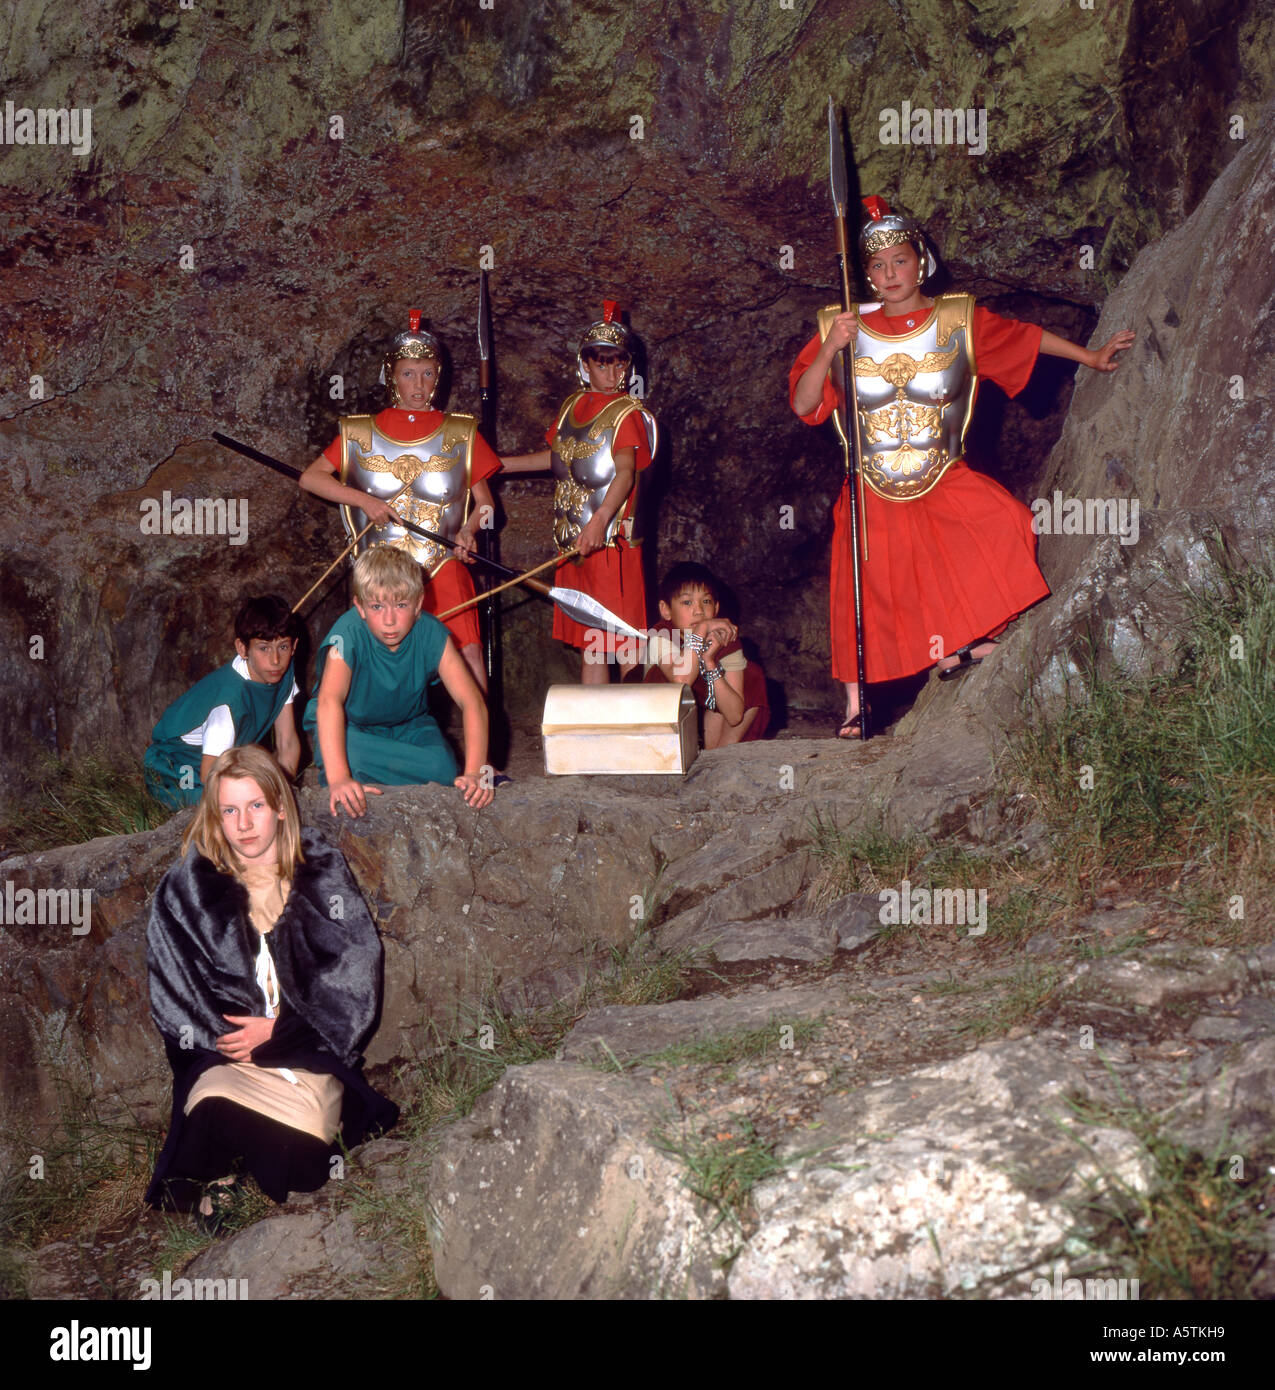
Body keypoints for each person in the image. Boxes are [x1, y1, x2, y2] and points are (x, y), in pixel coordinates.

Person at [790, 196, 1135, 736]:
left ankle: (960, 646)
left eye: (899, 261)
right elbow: (803, 403)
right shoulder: (842, 327)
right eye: (877, 267)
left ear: (919, 261)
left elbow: (1022, 337)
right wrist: (829, 348)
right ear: (867, 275)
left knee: (1002, 524)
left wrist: (1089, 356)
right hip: (870, 482)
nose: (889, 274)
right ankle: (856, 705)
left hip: (939, 468)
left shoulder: (956, 319)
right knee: (869, 588)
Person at [144, 744, 398, 1227]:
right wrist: (225, 1038)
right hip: (232, 1062)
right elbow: (172, 989)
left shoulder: (319, 874)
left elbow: (353, 975)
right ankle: (223, 1183)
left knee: (300, 1164)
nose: (243, 824)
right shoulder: (189, 888)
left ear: (280, 807)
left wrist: (282, 1031)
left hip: (304, 1059)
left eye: (256, 805)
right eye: (230, 810)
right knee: (209, 1114)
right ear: (216, 818)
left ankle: (236, 1178)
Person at [298, 310, 501, 695]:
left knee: (470, 656)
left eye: (427, 373)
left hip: (442, 563)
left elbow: (487, 504)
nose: (418, 384)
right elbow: (311, 478)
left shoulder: (461, 432)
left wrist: (470, 529)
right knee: (379, 663)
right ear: (392, 376)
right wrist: (364, 500)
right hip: (381, 567)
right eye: (408, 373)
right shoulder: (360, 433)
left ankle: (481, 753)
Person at [500, 300, 658, 684]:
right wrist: (499, 466)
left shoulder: (627, 414)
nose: (612, 372)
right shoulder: (573, 406)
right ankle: (594, 733)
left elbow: (625, 473)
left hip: (609, 545)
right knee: (592, 641)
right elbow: (556, 458)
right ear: (584, 364)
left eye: (619, 362)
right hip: (573, 542)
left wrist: (600, 522)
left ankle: (633, 729)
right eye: (602, 362)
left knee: (623, 642)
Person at [303, 544, 494, 818]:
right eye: (377, 606)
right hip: (350, 727)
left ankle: (376, 772)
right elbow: (329, 701)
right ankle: (356, 774)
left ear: (418, 605)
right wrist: (339, 779)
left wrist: (475, 772)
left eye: (401, 605)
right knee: (348, 755)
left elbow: (472, 701)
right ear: (360, 606)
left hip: (409, 726)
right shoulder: (346, 635)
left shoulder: (431, 633)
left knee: (443, 769)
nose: (389, 620)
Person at [143, 595, 301, 809]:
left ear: (294, 647)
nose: (275, 660)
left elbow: (287, 742)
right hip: (175, 766)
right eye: (263, 648)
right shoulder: (227, 706)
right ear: (242, 648)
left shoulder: (281, 675)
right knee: (223, 807)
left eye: (283, 647)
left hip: (225, 758)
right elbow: (211, 774)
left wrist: (282, 791)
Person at [640, 562, 770, 747]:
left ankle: (724, 754)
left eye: (706, 601)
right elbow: (680, 681)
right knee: (666, 675)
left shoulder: (724, 639)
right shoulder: (661, 635)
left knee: (752, 675)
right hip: (658, 720)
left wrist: (710, 663)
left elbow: (734, 716)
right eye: (687, 602)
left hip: (705, 718)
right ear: (666, 610)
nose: (699, 610)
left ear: (716, 608)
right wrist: (701, 630)